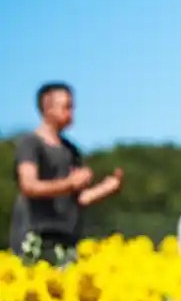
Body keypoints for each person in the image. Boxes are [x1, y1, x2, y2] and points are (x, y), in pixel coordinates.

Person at [9, 82, 123, 261]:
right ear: (47, 107)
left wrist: (106, 188)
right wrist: (70, 183)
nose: (71, 113)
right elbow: (28, 185)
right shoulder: (30, 144)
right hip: (36, 237)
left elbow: (79, 199)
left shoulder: (71, 150)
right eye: (66, 107)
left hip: (65, 237)